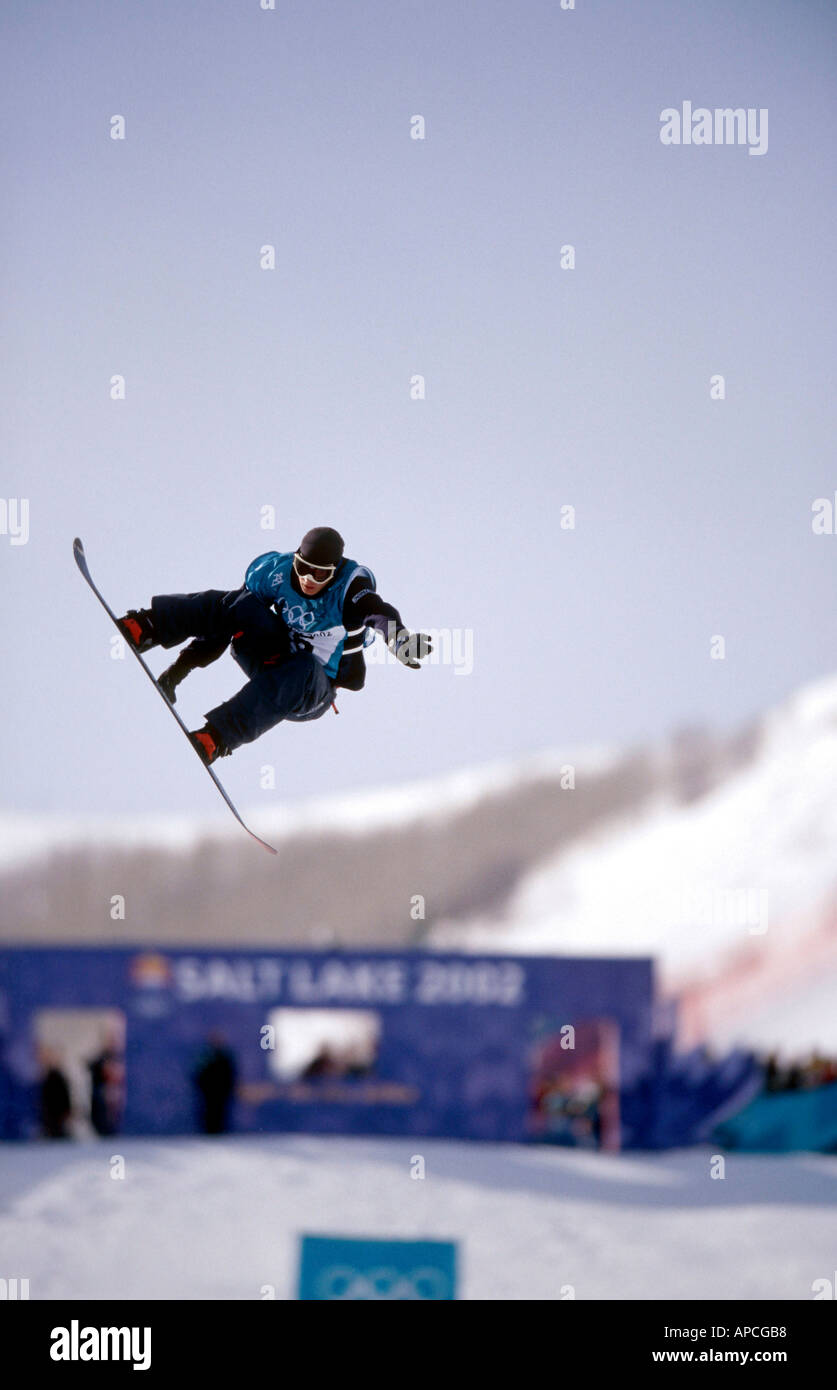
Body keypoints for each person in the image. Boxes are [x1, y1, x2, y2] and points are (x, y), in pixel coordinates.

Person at [116, 526, 433, 765]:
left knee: (303, 668)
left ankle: (216, 738)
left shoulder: (350, 589)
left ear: (333, 572)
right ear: (295, 559)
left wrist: (398, 638)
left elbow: (378, 612)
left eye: (320, 574)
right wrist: (179, 671)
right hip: (270, 657)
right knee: (239, 603)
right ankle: (148, 626)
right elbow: (229, 617)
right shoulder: (274, 572)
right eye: (303, 568)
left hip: (312, 688)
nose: (309, 579)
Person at [193, 1032, 238, 1135]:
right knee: (210, 1112)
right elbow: (198, 1074)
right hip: (209, 1092)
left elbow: (230, 1074)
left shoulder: (223, 1057)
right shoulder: (207, 1056)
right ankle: (210, 1132)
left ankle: (218, 1132)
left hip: (220, 1092)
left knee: (220, 1113)